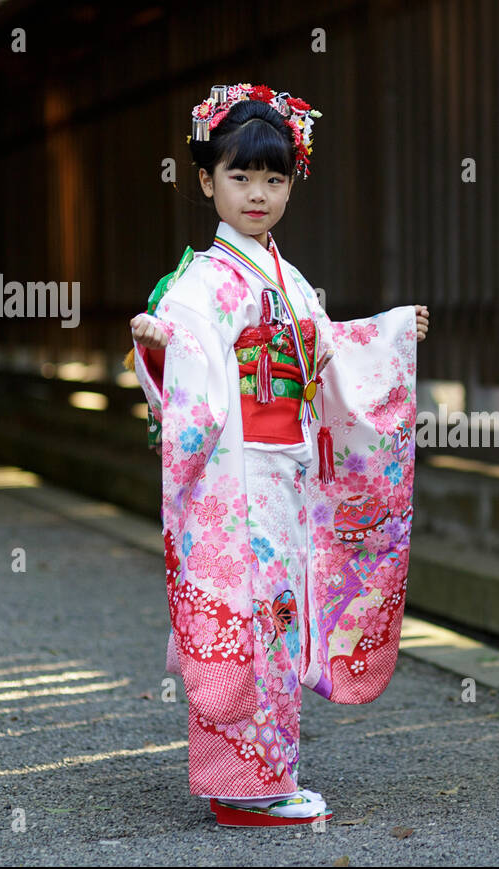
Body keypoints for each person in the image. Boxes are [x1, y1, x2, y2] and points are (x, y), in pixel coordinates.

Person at [125, 84, 430, 827]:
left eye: (274, 177)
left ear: (292, 181)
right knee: (243, 623)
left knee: (278, 622)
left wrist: (389, 334)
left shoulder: (287, 279)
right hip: (234, 479)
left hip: (286, 473)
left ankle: (267, 777)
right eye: (240, 176)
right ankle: (245, 789)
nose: (257, 193)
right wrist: (161, 349)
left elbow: (329, 354)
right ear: (206, 180)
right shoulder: (199, 285)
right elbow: (188, 362)